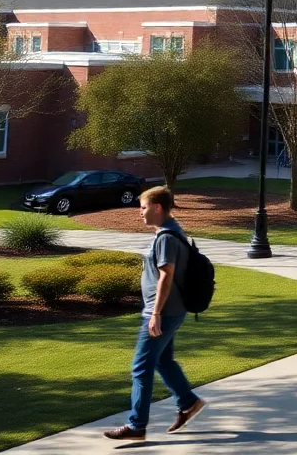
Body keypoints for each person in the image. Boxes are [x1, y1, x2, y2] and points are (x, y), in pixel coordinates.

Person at [103, 187, 205, 441]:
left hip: (164, 312)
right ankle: (188, 402)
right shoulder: (171, 232)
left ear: (157, 207)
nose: (141, 213)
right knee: (163, 361)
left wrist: (155, 313)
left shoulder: (167, 238)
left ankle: (137, 426)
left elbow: (166, 275)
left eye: (144, 207)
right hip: (172, 310)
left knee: (141, 367)